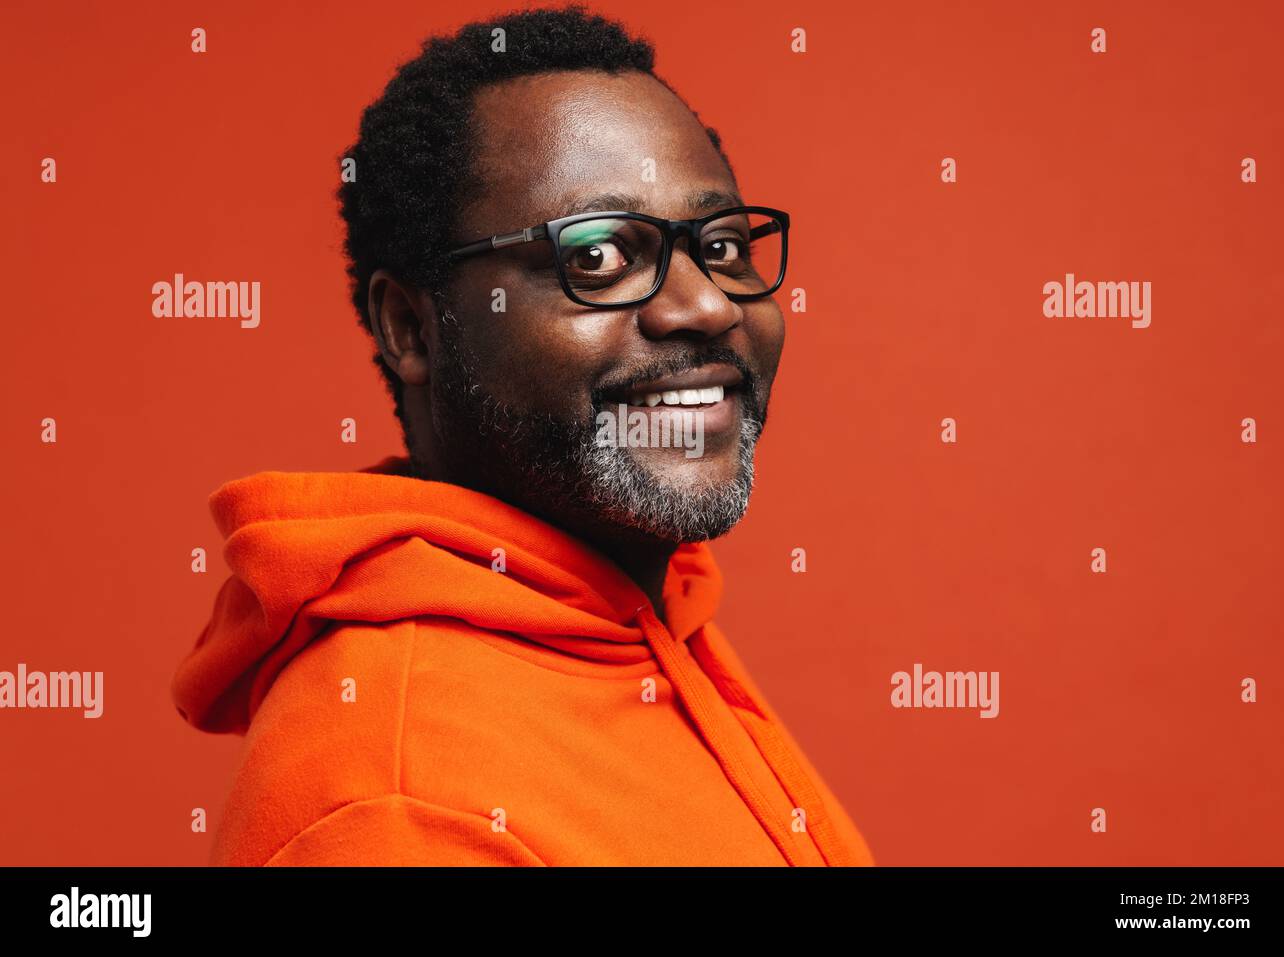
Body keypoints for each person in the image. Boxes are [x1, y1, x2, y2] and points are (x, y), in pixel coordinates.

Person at [171, 4, 874, 866]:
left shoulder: (645, 622)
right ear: (412, 328)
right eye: (597, 257)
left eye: (722, 246)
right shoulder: (398, 810)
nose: (707, 304)